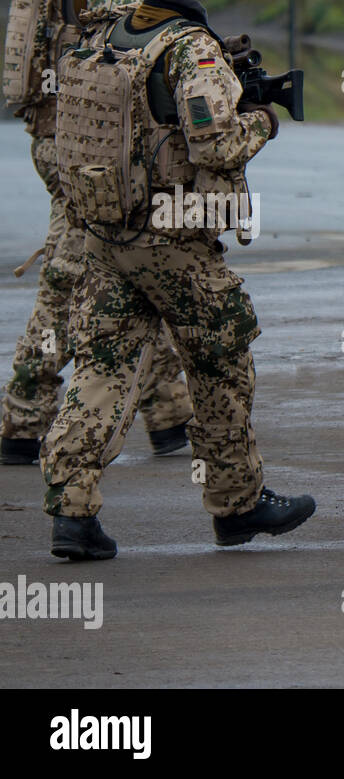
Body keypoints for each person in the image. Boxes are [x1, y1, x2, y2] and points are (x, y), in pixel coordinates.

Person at [42, 0, 315, 560]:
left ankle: (72, 511)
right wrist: (262, 120)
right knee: (221, 362)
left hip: (107, 233)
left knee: (102, 369)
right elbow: (215, 144)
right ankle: (237, 504)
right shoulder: (189, 47)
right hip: (173, 238)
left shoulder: (109, 34)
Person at [1, 0, 192, 467]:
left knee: (126, 273)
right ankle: (23, 417)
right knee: (67, 282)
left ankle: (168, 412)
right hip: (92, 155)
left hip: (67, 142)